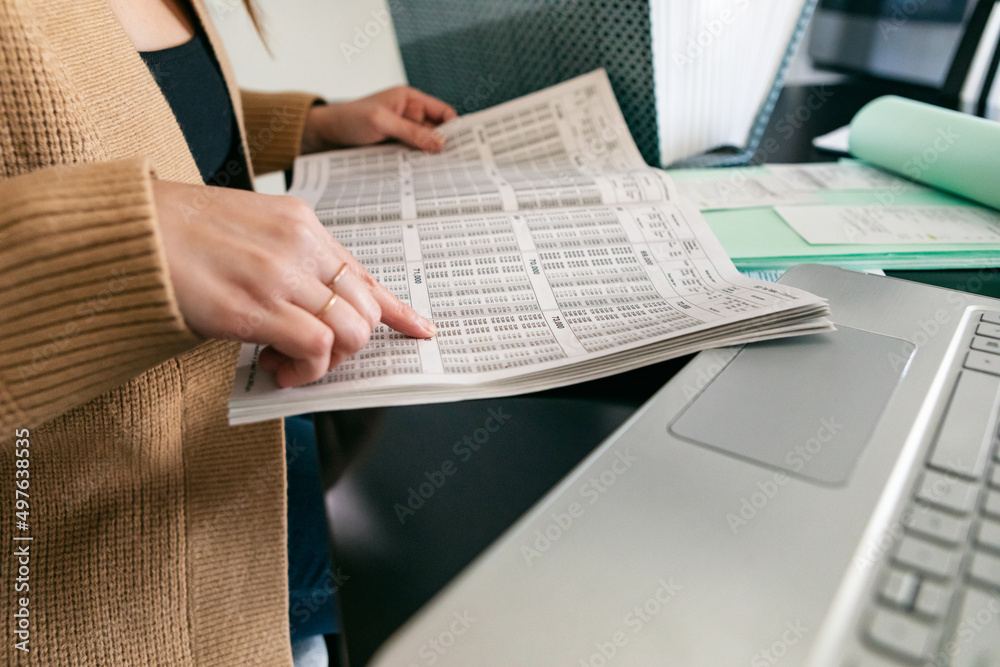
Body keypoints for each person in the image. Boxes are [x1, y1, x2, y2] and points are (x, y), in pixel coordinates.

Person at [0, 0, 455, 664]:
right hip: (106, 607)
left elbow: (135, 104)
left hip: (262, 523)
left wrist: (309, 124)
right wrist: (128, 239)